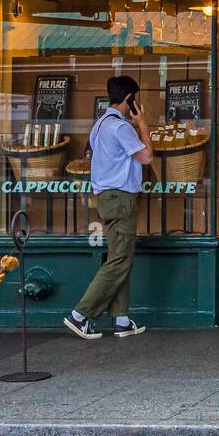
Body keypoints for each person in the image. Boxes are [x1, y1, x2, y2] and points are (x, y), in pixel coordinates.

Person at [63, 75, 152, 340]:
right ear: (129, 99)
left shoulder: (99, 125)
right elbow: (146, 157)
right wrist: (143, 125)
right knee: (120, 259)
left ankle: (121, 319)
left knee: (119, 256)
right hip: (120, 197)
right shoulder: (121, 128)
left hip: (105, 197)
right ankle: (80, 315)